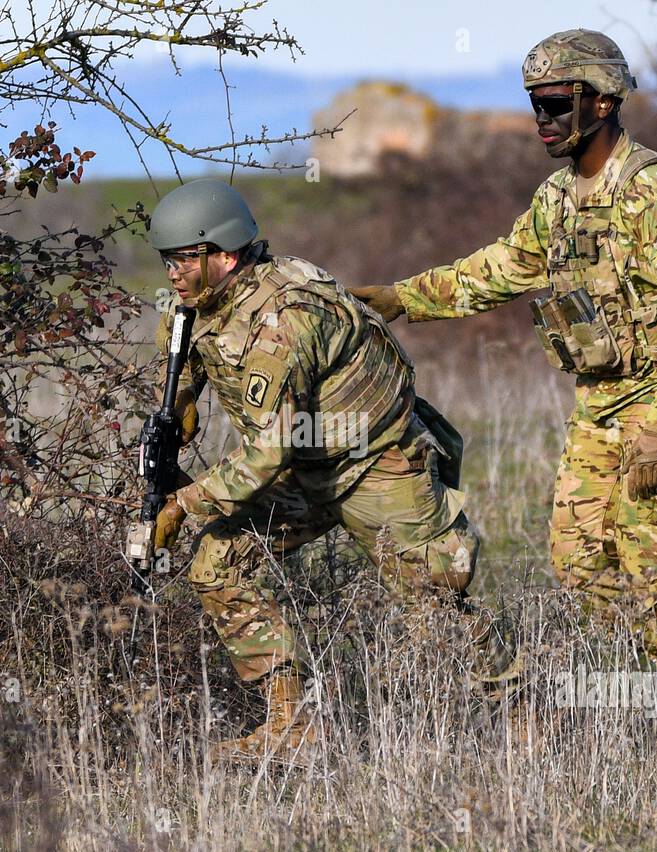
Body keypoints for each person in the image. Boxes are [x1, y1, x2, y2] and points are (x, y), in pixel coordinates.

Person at [350, 29, 657, 746]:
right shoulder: (559, 197)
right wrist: (402, 297)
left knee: (654, 566)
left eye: (558, 103)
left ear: (603, 100)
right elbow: (502, 266)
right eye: (535, 104)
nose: (544, 120)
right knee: (580, 566)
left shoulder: (653, 191)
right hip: (599, 409)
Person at [144, 179, 514, 764]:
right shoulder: (197, 306)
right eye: (166, 261)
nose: (172, 273)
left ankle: (520, 718)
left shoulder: (281, 318)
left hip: (376, 463)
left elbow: (269, 451)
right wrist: (184, 396)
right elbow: (183, 356)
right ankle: (293, 724)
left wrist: (183, 505)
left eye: (184, 259)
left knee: (432, 601)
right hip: (303, 468)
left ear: (226, 256)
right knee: (216, 566)